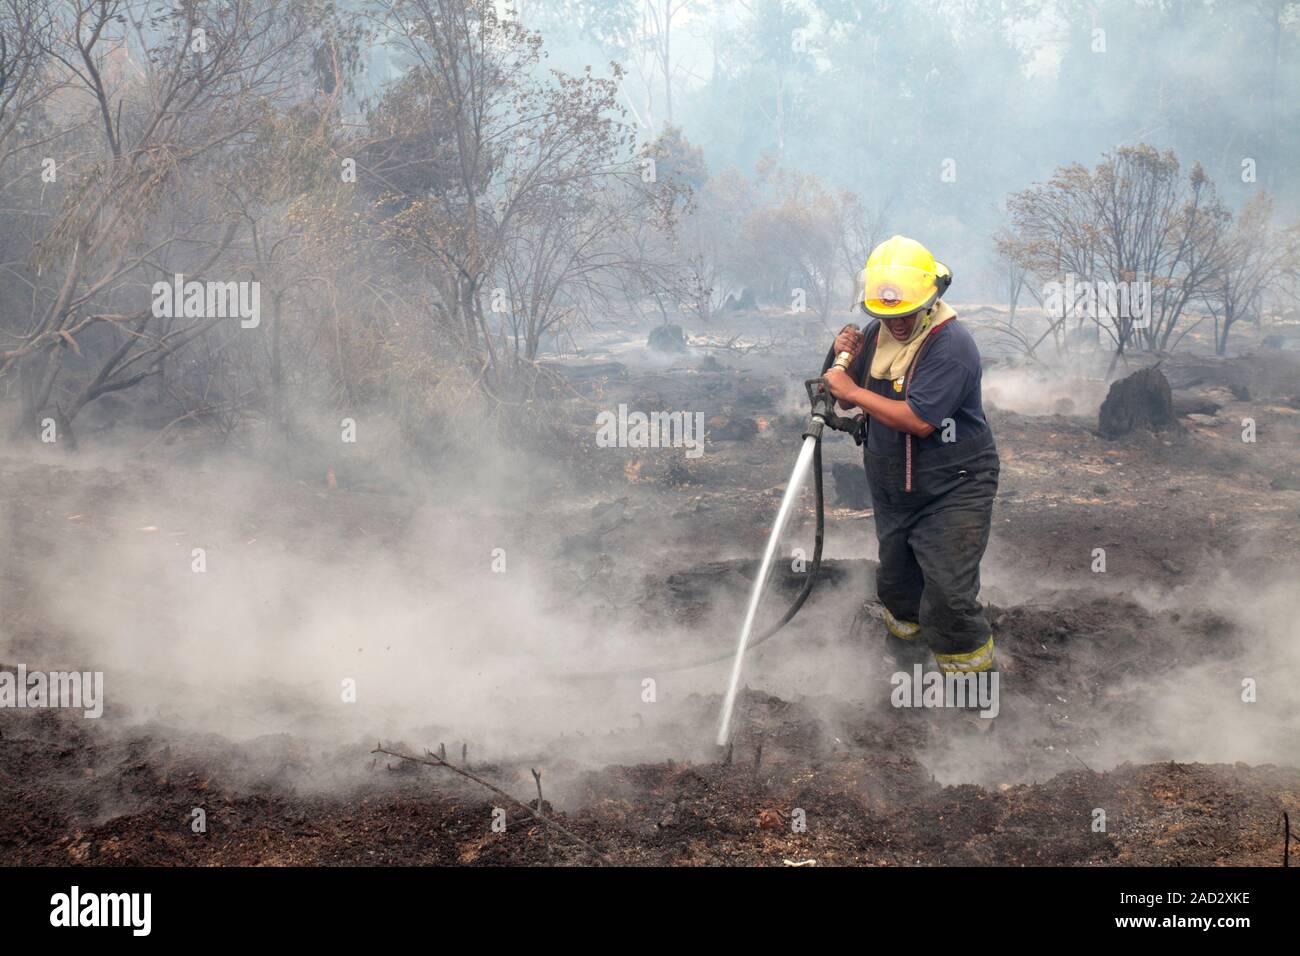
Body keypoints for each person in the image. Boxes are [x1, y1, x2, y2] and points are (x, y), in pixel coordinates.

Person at [821, 235, 999, 683]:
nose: (894, 324)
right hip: (894, 487)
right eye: (883, 315)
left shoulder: (951, 345)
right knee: (898, 591)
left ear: (928, 299)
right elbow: (840, 399)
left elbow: (919, 420)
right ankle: (908, 683)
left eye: (903, 314)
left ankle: (973, 701)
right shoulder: (875, 335)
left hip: (954, 486)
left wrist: (854, 390)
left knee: (948, 598)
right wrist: (838, 356)